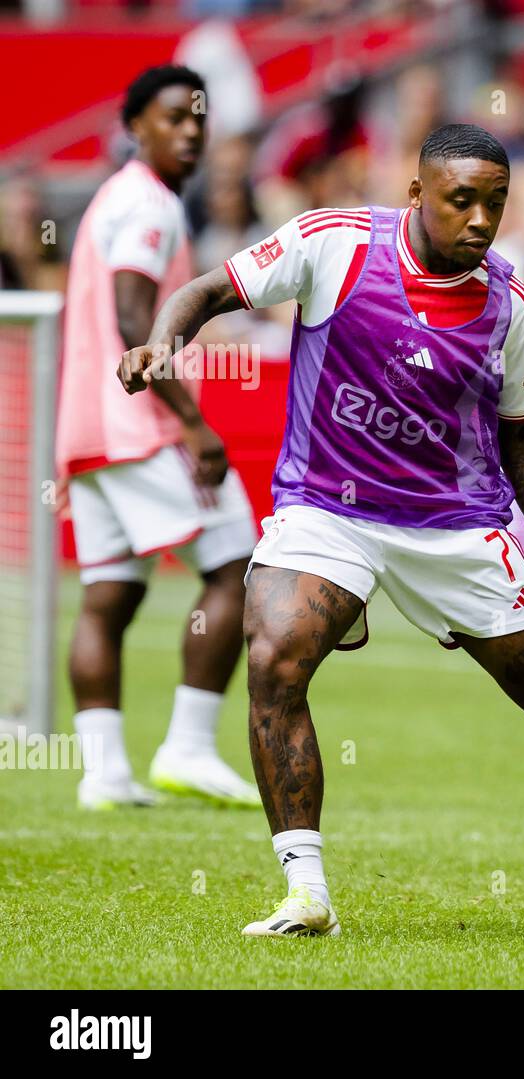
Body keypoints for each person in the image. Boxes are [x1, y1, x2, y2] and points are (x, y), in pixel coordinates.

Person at [118, 123, 524, 937]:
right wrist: (162, 344)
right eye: (463, 200)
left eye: (496, 202)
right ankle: (306, 891)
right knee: (276, 656)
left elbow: (521, 432)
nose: (482, 219)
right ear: (416, 193)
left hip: (454, 522)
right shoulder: (335, 243)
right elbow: (209, 290)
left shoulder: (508, 306)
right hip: (328, 504)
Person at [58, 65, 260, 811]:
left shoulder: (112, 200)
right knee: (238, 562)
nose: (189, 133)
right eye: (172, 118)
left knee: (108, 592)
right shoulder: (149, 205)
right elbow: (133, 314)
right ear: (133, 125)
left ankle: (104, 772)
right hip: (138, 421)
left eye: (197, 121)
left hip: (83, 426)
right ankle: (190, 746)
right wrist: (193, 420)